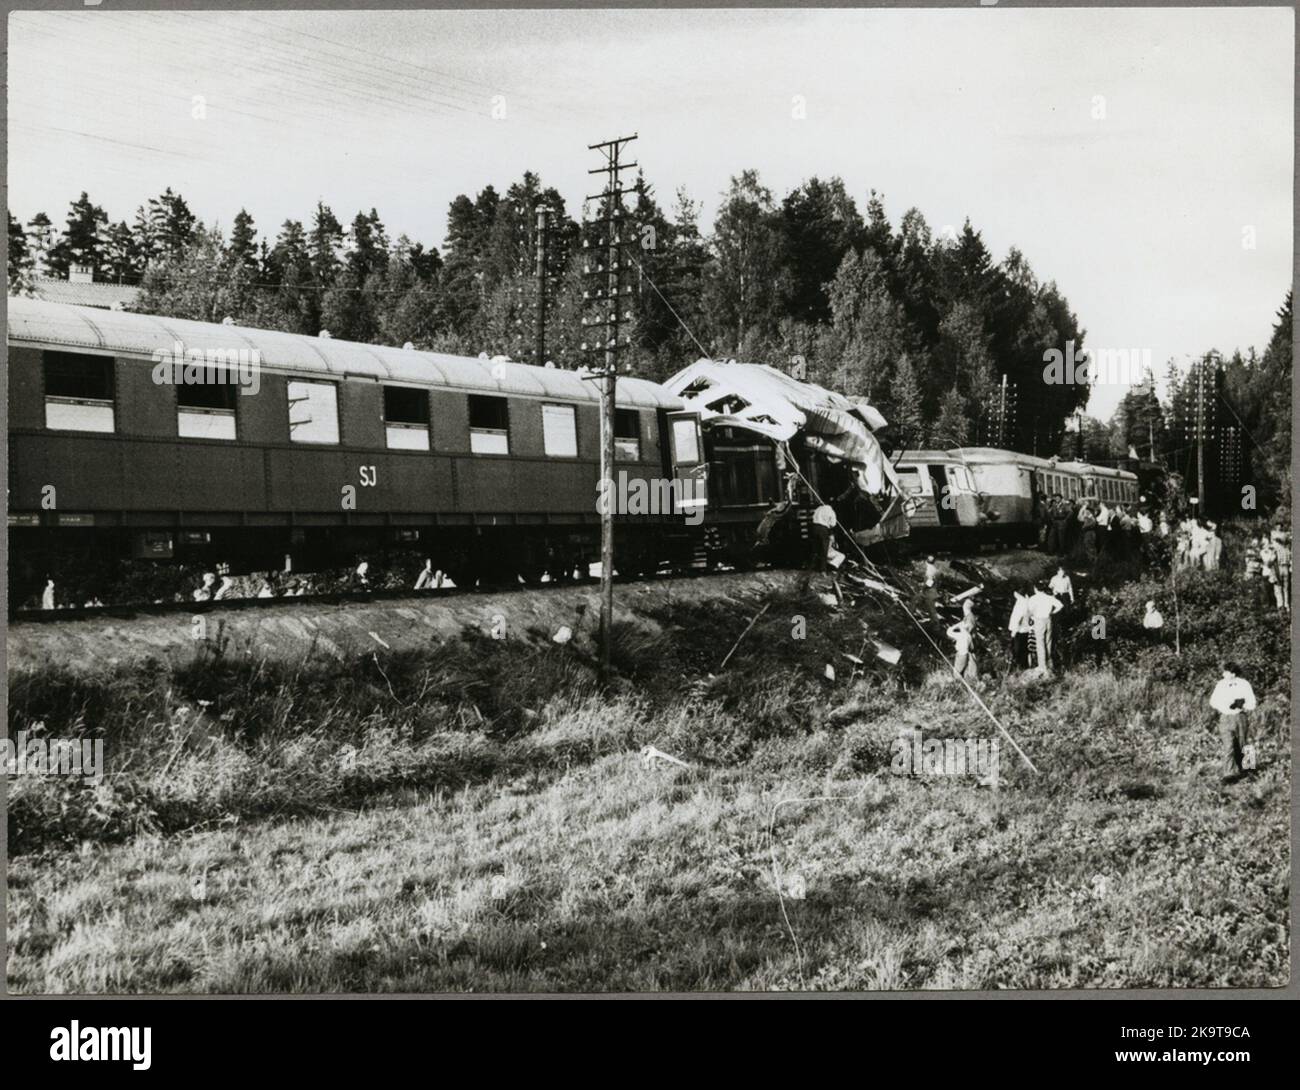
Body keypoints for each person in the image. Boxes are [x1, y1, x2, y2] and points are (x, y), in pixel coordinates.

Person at [1209, 663, 1257, 783]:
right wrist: (1225, 706)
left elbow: (1252, 703)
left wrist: (1242, 704)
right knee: (1228, 746)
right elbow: (1213, 701)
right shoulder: (1221, 684)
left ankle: (1249, 771)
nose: (1223, 674)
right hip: (1225, 717)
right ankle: (1229, 774)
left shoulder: (1244, 684)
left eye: (1226, 672)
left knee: (1244, 744)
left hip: (1240, 717)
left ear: (1233, 673)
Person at [1026, 582, 1064, 675]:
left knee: (1040, 643)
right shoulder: (1049, 597)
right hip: (1048, 620)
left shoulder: (1033, 599)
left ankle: (1042, 666)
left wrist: (1032, 616)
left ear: (1036, 589)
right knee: (1048, 642)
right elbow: (1060, 605)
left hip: (1039, 620)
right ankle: (1049, 664)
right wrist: (1052, 613)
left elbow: (1030, 611)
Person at [946, 617, 977, 682]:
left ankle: (957, 683)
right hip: (966, 654)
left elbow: (948, 632)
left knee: (957, 671)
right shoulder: (968, 635)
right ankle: (964, 680)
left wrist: (957, 625)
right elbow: (972, 647)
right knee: (963, 669)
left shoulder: (961, 635)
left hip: (961, 654)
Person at [1008, 590, 1032, 669]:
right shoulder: (1026, 601)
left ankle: (1020, 667)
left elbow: (1019, 618)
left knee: (1018, 650)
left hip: (1019, 630)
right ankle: (1025, 666)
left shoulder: (1021, 603)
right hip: (1026, 629)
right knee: (1025, 649)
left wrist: (1014, 631)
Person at [810, 503, 836, 573]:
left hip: (814, 528)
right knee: (824, 549)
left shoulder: (818, 508)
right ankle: (823, 570)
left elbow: (813, 518)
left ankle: (812, 567)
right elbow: (833, 524)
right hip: (823, 529)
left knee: (815, 548)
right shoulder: (831, 511)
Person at [1270, 529, 1291, 613]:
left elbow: (1271, 561)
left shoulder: (1276, 550)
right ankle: (1287, 606)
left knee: (1278, 588)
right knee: (1285, 588)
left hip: (1278, 568)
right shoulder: (1287, 550)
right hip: (1286, 569)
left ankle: (1280, 606)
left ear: (1277, 542)